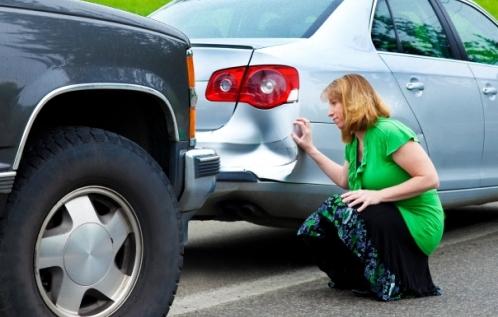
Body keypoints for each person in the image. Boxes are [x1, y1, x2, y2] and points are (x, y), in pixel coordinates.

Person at [292, 74, 443, 301]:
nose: (329, 112)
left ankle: (393, 280)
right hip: (386, 215)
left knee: (344, 207)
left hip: (417, 220)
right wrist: (311, 149)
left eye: (334, 103)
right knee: (327, 215)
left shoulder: (388, 131)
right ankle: (360, 277)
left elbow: (430, 178)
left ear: (353, 101)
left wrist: (378, 195)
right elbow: (344, 180)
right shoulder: (354, 140)